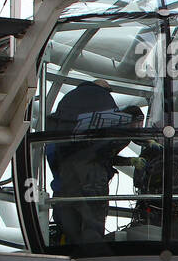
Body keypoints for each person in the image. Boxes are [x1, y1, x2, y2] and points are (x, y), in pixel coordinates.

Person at [45, 80, 132, 247]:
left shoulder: (67, 100)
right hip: (92, 172)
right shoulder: (104, 100)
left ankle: (70, 248)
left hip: (66, 172)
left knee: (68, 218)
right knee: (92, 219)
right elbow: (113, 139)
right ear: (106, 89)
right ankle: (91, 253)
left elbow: (51, 140)